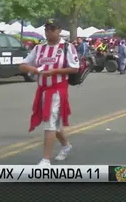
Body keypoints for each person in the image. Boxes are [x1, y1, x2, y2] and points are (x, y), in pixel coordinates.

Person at [18, 19, 80, 165]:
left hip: (57, 89)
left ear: (59, 30)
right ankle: (66, 145)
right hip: (43, 90)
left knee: (50, 121)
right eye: (46, 29)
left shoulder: (67, 47)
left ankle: (46, 159)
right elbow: (22, 65)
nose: (49, 32)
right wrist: (33, 69)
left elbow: (75, 68)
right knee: (53, 122)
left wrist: (55, 71)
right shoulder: (39, 48)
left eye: (52, 29)